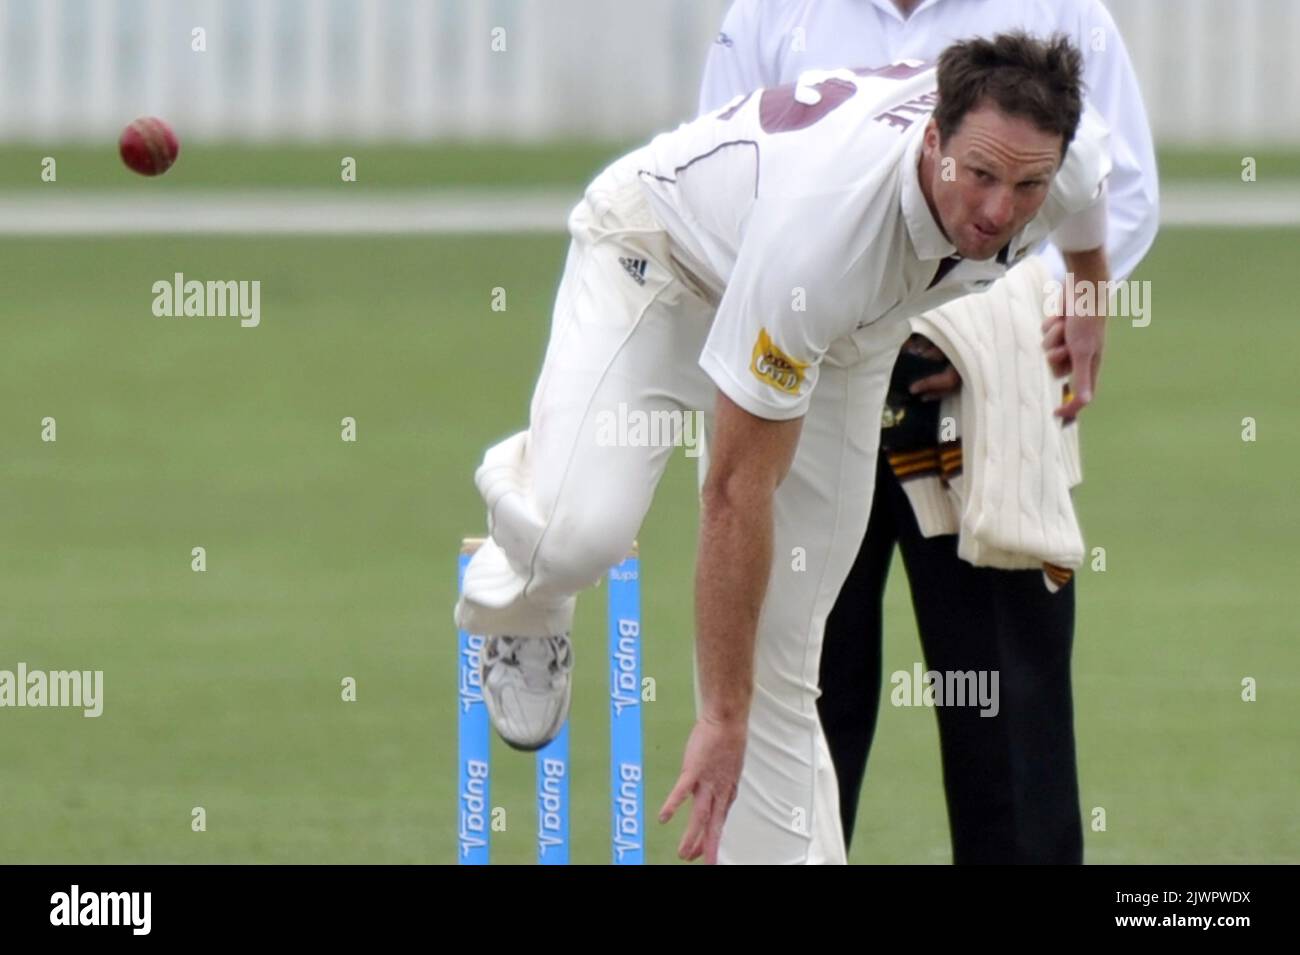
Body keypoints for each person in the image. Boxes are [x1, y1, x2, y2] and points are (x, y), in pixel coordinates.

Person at [455, 32, 1111, 864]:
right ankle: (529, 579)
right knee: (579, 537)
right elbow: (734, 491)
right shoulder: (826, 232)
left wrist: (1087, 289)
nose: (996, 211)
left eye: (1026, 186)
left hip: (847, 334)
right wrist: (717, 718)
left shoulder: (1064, 152)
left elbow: (1089, 194)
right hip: (662, 265)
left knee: (788, 648)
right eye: (977, 174)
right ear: (933, 141)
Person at [699, 0, 1158, 862]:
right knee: (805, 675)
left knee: (1006, 701)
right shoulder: (770, 13)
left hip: (979, 392)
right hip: (815, 377)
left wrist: (1016, 317)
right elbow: (730, 180)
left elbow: (1114, 185)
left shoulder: (1058, 11)